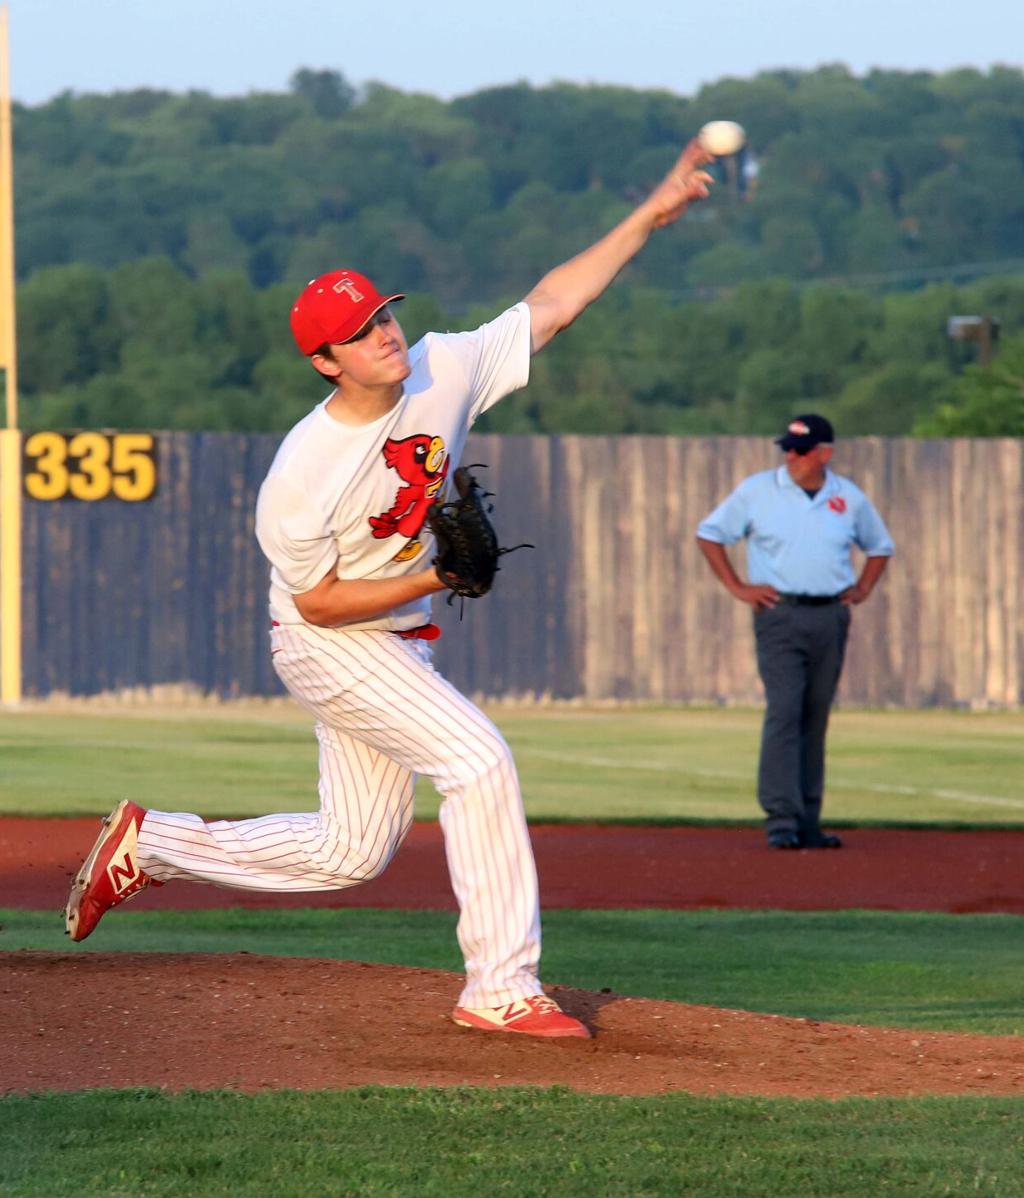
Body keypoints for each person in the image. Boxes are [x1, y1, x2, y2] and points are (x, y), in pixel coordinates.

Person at [65, 138, 717, 1040]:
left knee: (349, 852)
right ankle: (500, 988)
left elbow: (554, 304)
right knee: (477, 759)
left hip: (398, 638)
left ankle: (152, 844)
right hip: (326, 642)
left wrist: (651, 211)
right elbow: (319, 602)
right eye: (362, 331)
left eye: (385, 315)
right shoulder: (303, 471)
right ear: (326, 362)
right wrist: (436, 574)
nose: (385, 333)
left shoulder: (444, 369)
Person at [695, 414, 895, 850]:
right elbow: (709, 534)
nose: (791, 456)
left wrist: (863, 587)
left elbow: (880, 546)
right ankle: (781, 819)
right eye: (787, 448)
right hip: (780, 614)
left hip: (830, 615)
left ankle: (809, 820)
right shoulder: (758, 490)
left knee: (815, 714)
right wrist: (737, 586)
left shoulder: (847, 497)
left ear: (825, 453)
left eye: (800, 450)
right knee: (785, 710)